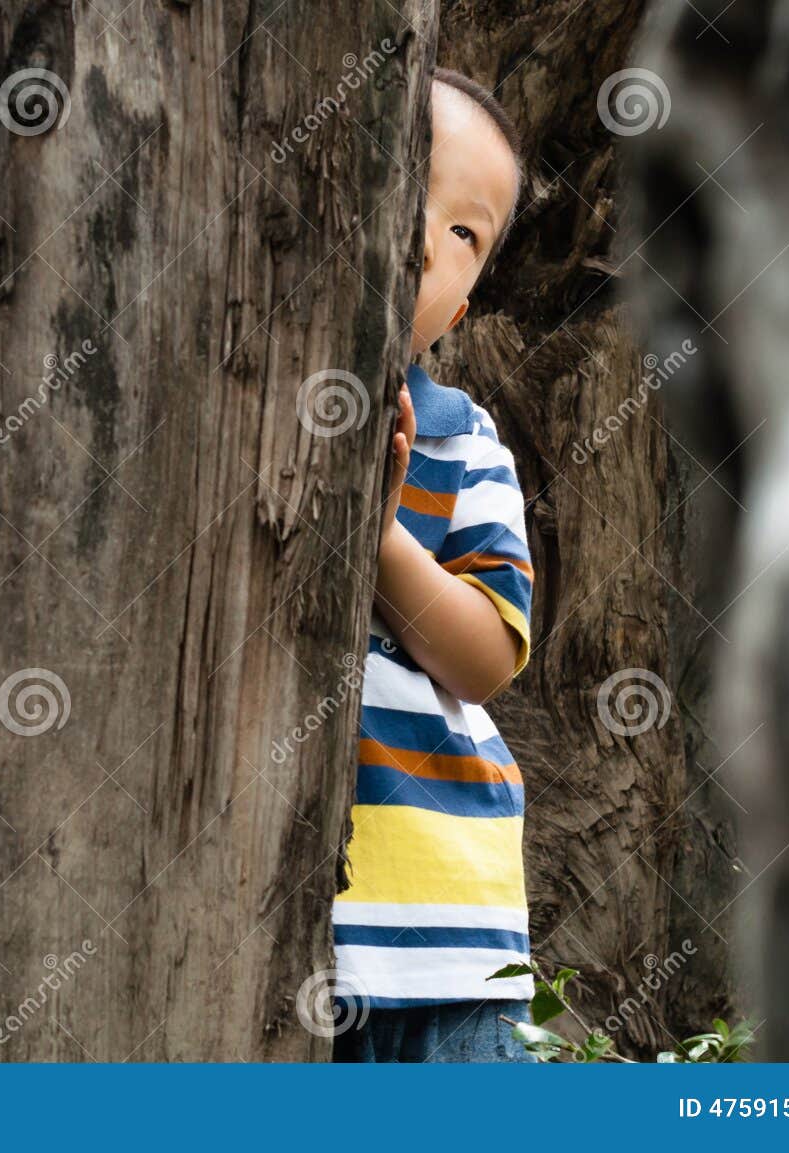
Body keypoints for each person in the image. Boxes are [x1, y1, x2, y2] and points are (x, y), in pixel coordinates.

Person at [331, 67, 536, 1063]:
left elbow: (486, 657)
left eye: (467, 234)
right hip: (281, 924)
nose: (425, 237)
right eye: (415, 185)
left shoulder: (459, 440)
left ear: (457, 314)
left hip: (444, 928)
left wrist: (377, 539)